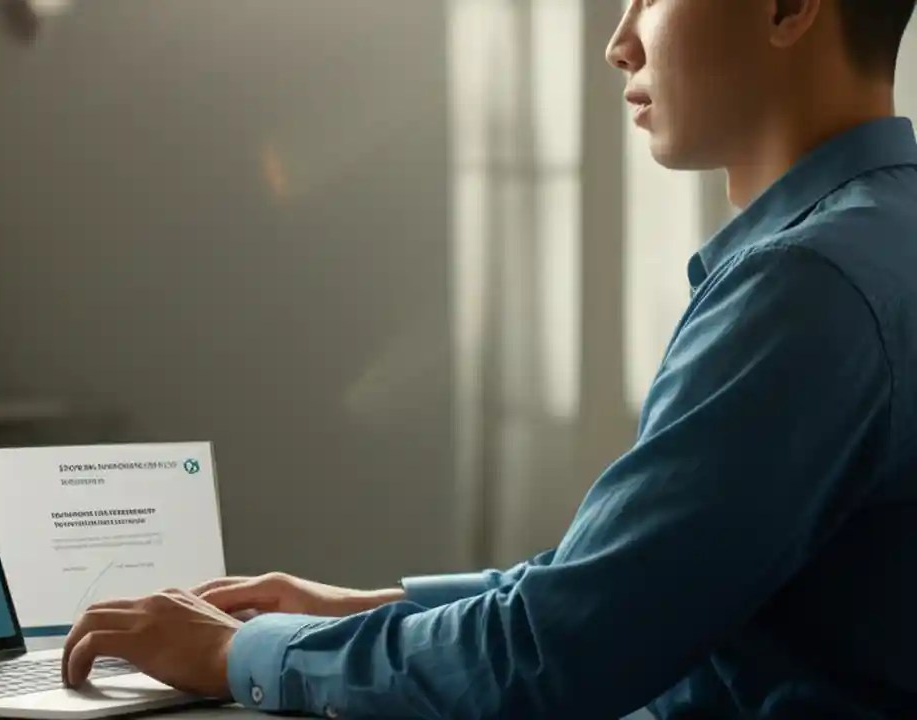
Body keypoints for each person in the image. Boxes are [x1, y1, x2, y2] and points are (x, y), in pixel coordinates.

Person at [62, 0, 917, 717]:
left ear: (790, 6)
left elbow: (561, 652)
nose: (619, 41)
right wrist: (363, 609)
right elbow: (640, 575)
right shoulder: (881, 239)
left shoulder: (805, 285)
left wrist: (242, 654)